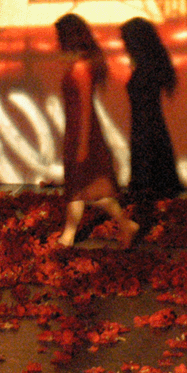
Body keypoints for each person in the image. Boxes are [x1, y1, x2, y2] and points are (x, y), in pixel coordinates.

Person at [54, 13, 138, 248]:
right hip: (79, 132)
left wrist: (81, 145)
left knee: (79, 187)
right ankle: (122, 225)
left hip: (83, 133)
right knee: (87, 188)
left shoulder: (81, 67)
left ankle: (68, 236)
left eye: (60, 36)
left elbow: (85, 108)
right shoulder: (80, 63)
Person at [119, 17, 183, 199]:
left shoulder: (146, 67)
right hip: (149, 127)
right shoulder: (151, 64)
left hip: (145, 128)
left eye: (126, 39)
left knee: (148, 181)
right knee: (155, 183)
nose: (124, 44)